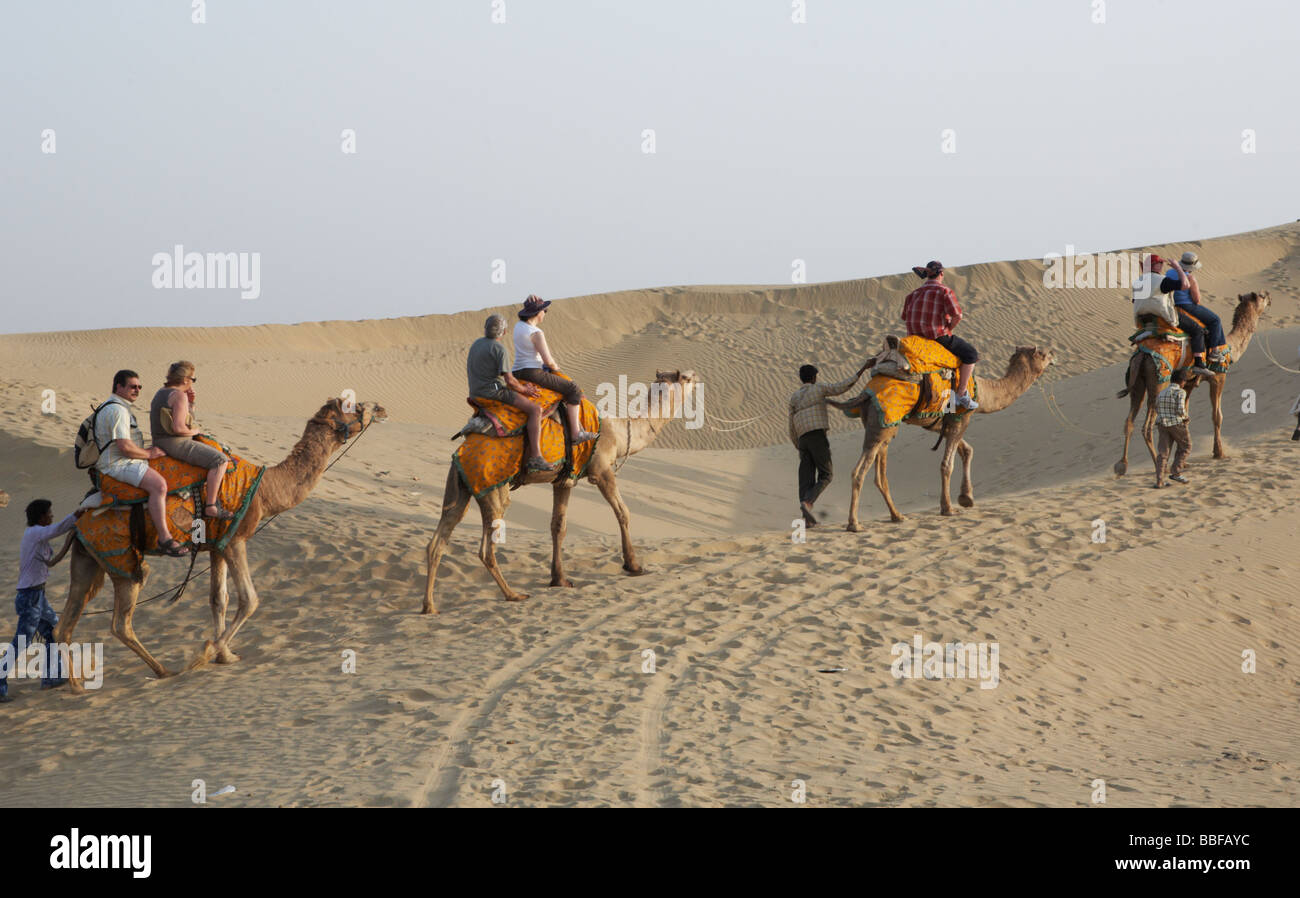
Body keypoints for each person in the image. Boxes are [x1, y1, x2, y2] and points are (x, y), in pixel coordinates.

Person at [0, 500, 87, 701]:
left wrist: (70, 538)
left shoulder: (39, 537)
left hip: (37, 596)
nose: (51, 516)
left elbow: (52, 561)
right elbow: (59, 528)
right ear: (41, 517)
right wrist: (76, 515)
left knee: (54, 632)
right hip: (30, 597)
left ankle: (52, 676)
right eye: (49, 513)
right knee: (22, 642)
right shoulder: (35, 533)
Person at [95, 370, 189, 556]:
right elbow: (125, 447)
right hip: (119, 464)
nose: (137, 390)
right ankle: (165, 538)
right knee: (159, 486)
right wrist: (149, 453)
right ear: (118, 386)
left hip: (127, 459)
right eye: (132, 386)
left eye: (139, 387)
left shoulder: (118, 406)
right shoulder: (117, 410)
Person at [468, 314, 556, 472]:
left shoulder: (476, 343)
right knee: (535, 409)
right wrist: (525, 390)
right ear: (505, 332)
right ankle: (536, 456)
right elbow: (510, 381)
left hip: (475, 393)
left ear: (485, 329)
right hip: (493, 393)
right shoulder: (499, 348)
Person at [788, 361, 871, 526]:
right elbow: (842, 386)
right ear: (814, 378)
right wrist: (862, 369)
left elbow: (790, 423)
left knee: (806, 479)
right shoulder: (818, 388)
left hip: (802, 438)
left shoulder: (794, 397)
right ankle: (808, 503)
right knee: (827, 474)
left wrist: (797, 443)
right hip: (817, 435)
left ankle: (806, 520)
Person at [512, 295, 601, 446]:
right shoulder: (536, 333)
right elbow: (549, 361)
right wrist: (559, 371)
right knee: (573, 389)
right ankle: (576, 433)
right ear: (538, 312)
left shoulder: (518, 327)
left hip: (517, 371)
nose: (545, 313)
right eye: (544, 310)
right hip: (534, 372)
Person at [150, 361, 233, 521]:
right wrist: (195, 431)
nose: (193, 383)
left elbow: (181, 419)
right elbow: (179, 428)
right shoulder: (178, 395)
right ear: (185, 379)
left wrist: (191, 404)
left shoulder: (161, 392)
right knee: (220, 460)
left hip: (159, 442)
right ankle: (211, 507)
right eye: (193, 379)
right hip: (176, 443)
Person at [902, 261, 979, 409]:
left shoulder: (912, 294)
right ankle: (961, 394)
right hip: (937, 337)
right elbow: (958, 316)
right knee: (970, 354)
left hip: (914, 340)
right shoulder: (944, 291)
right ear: (941, 274)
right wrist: (948, 328)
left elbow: (905, 317)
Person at [1133, 255, 1213, 376]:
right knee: (1197, 330)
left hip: (1142, 320)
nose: (1162, 265)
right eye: (1160, 263)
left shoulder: (1138, 282)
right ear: (1156, 265)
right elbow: (1185, 285)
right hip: (1162, 316)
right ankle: (1199, 364)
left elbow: (1135, 301)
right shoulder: (1161, 280)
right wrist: (1178, 268)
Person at [1171, 251, 1228, 364]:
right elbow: (1196, 299)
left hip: (1174, 306)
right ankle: (1214, 351)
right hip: (1188, 305)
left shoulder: (1169, 272)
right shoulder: (1190, 277)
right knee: (1215, 320)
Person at [1153, 369, 1192, 488]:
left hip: (1162, 424)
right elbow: (1180, 409)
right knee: (1186, 446)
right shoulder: (1180, 392)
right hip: (1176, 424)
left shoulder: (1162, 392)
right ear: (1182, 381)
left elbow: (1156, 407)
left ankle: (1159, 481)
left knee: (1163, 452)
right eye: (1185, 381)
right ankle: (1176, 471)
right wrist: (1185, 417)